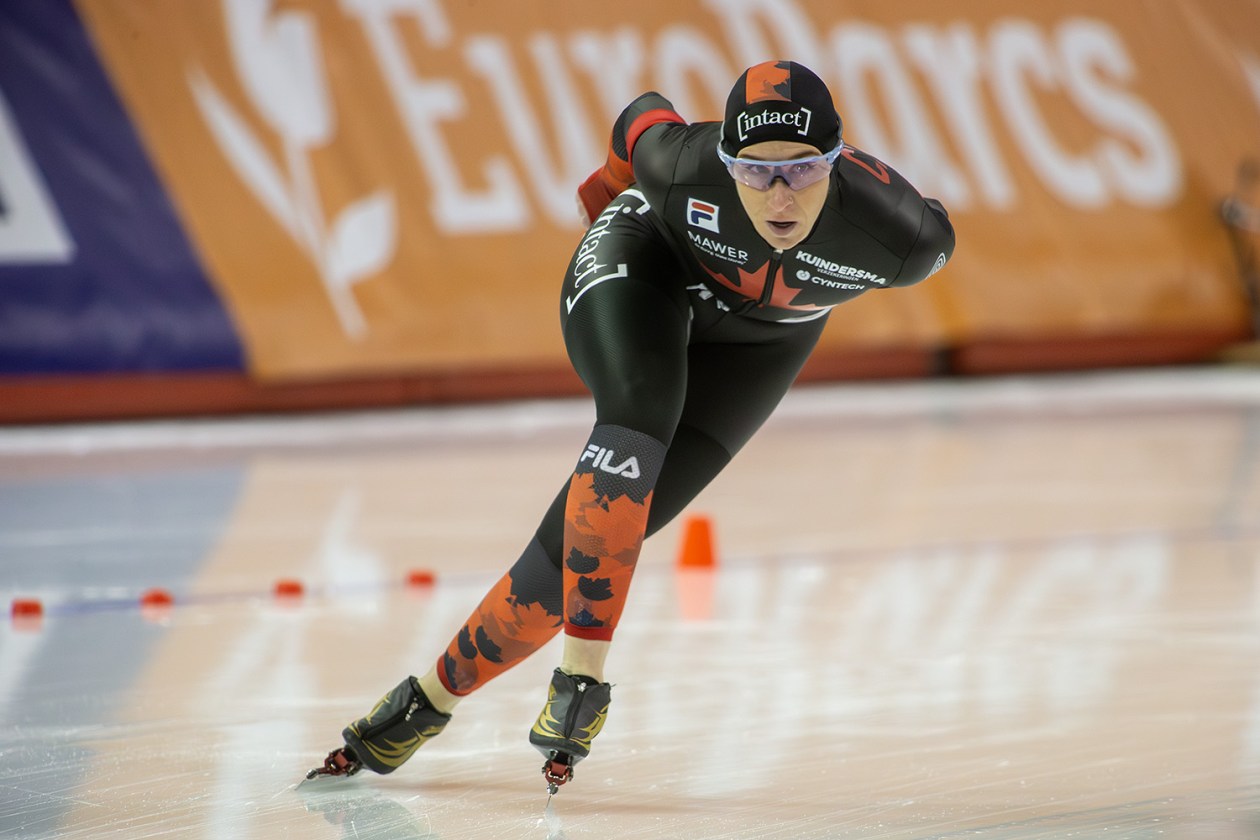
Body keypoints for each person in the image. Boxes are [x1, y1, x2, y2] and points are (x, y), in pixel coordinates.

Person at [307, 59, 956, 793]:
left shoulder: (903, 240)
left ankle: (423, 703)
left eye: (802, 172)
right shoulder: (679, 166)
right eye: (755, 172)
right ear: (724, 163)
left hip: (765, 341)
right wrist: (609, 185)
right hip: (645, 261)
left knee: (601, 542)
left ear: (837, 165)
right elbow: (642, 113)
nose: (779, 196)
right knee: (639, 416)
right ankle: (582, 679)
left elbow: (933, 223)